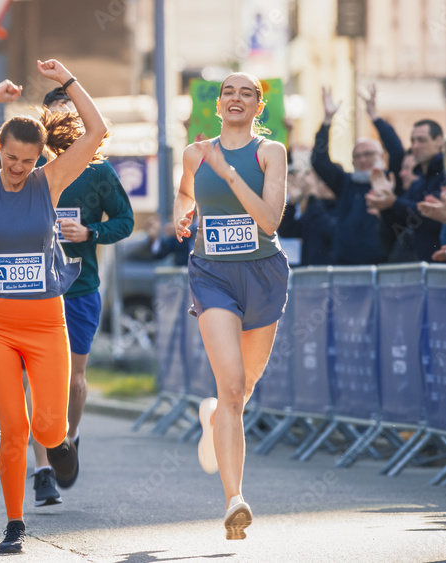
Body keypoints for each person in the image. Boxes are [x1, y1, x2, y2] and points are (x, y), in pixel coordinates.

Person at [0, 59, 105, 554]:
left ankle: (62, 444)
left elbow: (97, 130)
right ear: (0, 152)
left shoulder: (47, 184)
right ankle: (14, 522)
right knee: (15, 427)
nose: (17, 169)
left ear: (38, 159)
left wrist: (68, 79)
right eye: (11, 159)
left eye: (27, 162)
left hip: (46, 321)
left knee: (49, 427)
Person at [172, 72, 289, 541]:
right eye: (229, 92)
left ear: (258, 107)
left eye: (247, 93)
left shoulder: (270, 153)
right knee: (234, 387)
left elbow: (269, 219)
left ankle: (213, 416)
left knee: (243, 389)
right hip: (212, 273)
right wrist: (184, 213)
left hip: (263, 274)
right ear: (216, 104)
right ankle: (234, 500)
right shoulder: (194, 154)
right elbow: (185, 192)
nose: (236, 98)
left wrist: (229, 173)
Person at [26, 85, 134, 505]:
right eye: (55, 112)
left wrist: (91, 232)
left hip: (80, 287)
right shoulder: (30, 167)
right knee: (38, 380)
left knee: (72, 379)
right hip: (34, 288)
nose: (63, 120)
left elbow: (124, 221)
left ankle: (69, 438)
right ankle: (43, 470)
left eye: (72, 112)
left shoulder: (97, 171)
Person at [311, 85, 403, 264]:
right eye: (357, 156)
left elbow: (398, 152)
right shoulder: (345, 183)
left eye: (368, 154)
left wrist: (375, 117)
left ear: (381, 157)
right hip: (344, 265)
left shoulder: (391, 180)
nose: (362, 159)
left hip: (381, 265)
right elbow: (319, 161)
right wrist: (328, 120)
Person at [366, 119, 446, 262]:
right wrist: (384, 204)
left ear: (439, 141)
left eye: (422, 140)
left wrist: (393, 202)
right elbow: (398, 227)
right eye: (413, 140)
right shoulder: (418, 183)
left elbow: (431, 216)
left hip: (437, 266)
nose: (415, 145)